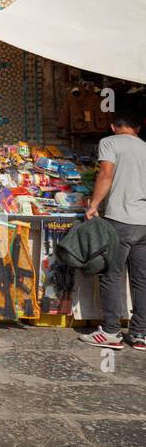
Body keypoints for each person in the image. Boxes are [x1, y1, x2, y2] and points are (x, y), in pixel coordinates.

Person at [79, 104, 146, 350]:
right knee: (142, 280)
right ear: (138, 128)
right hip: (144, 222)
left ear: (113, 126)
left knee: (112, 275)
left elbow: (106, 174)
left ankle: (110, 331)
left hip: (120, 219)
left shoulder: (110, 142)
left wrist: (93, 205)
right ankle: (140, 334)